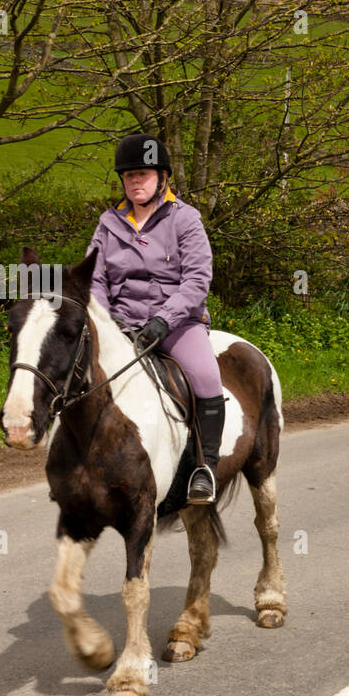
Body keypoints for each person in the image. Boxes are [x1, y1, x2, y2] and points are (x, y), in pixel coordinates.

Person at [87, 132, 223, 505]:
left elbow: (197, 279)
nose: (135, 182)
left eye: (143, 174)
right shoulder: (108, 224)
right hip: (121, 326)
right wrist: (103, 320)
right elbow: (95, 278)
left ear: (162, 177)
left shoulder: (186, 220)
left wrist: (165, 319)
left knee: (206, 377)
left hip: (176, 325)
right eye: (129, 176)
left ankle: (204, 467)